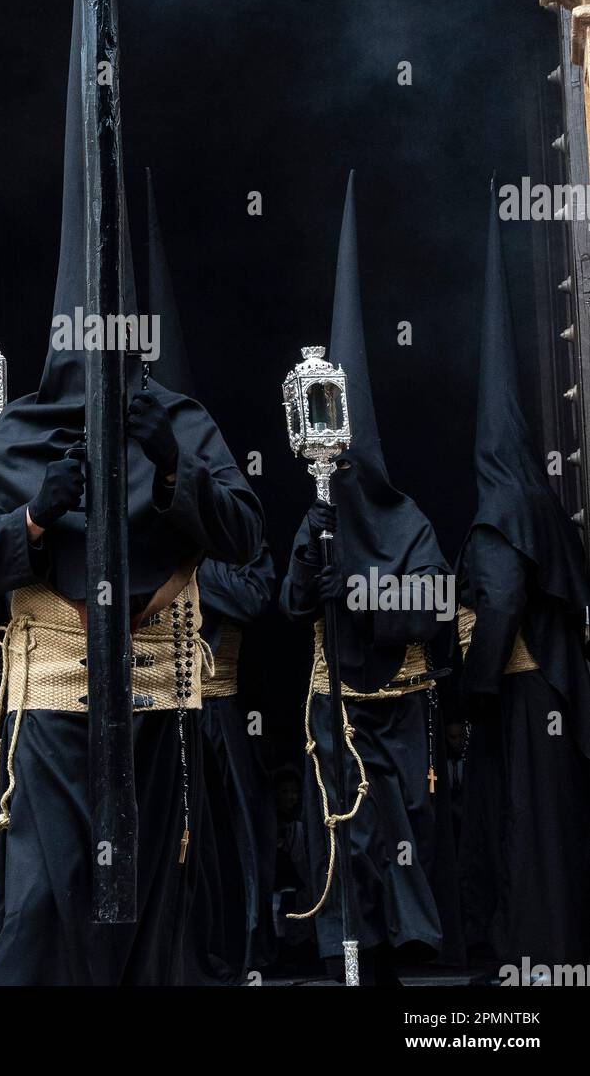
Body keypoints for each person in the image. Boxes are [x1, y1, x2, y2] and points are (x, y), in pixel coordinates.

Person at [0, 0, 264, 986]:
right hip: (54, 701)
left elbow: (245, 531)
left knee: (161, 906)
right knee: (47, 900)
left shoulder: (174, 417)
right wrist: (40, 509)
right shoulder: (22, 428)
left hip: (163, 705)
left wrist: (168, 472)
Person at [280, 172, 456, 986]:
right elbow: (287, 603)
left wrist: (356, 593)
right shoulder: (318, 516)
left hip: (400, 693)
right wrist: (313, 567)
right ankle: (341, 940)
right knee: (339, 818)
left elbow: (432, 600)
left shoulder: (407, 517)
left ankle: (414, 939)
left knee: (405, 817)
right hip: (333, 695)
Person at [144, 168, 277, 985]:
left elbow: (256, 591)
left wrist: (192, 568)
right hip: (146, 703)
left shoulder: (228, 503)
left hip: (218, 705)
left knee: (235, 845)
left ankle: (245, 957)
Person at [457, 189, 590, 975]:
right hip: (558, 690)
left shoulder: (501, 504)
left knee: (528, 829)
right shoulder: (536, 500)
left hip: (527, 688)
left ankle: (537, 960)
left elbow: (503, 598)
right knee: (554, 829)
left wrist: (472, 686)